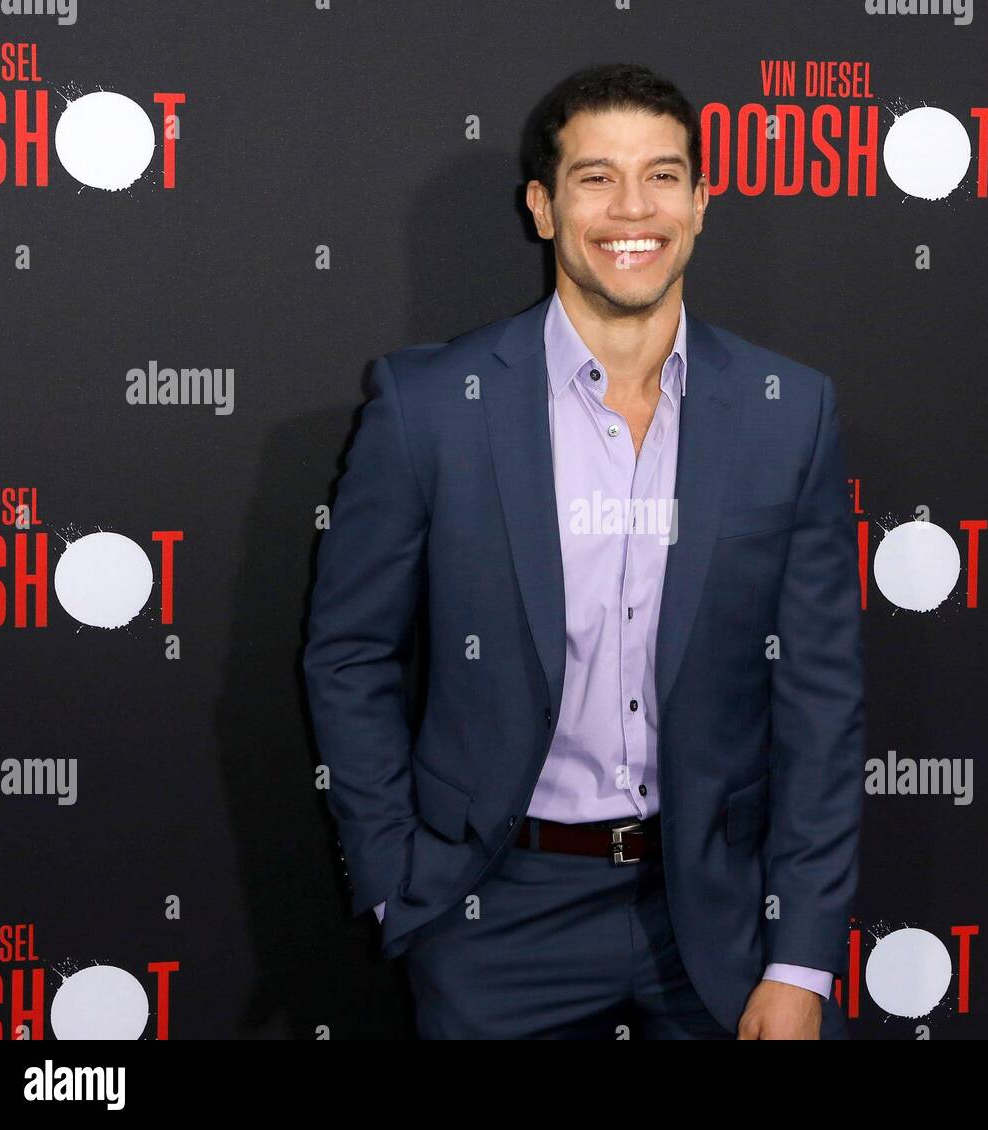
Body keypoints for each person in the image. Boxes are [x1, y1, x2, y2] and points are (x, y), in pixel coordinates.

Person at [302, 62, 865, 1039]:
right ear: (542, 206)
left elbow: (819, 699)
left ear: (699, 201)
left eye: (661, 175)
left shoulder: (790, 413)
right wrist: (399, 877)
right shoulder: (430, 406)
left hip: (720, 921)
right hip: (493, 914)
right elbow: (349, 653)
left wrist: (802, 954)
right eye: (595, 177)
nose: (631, 207)